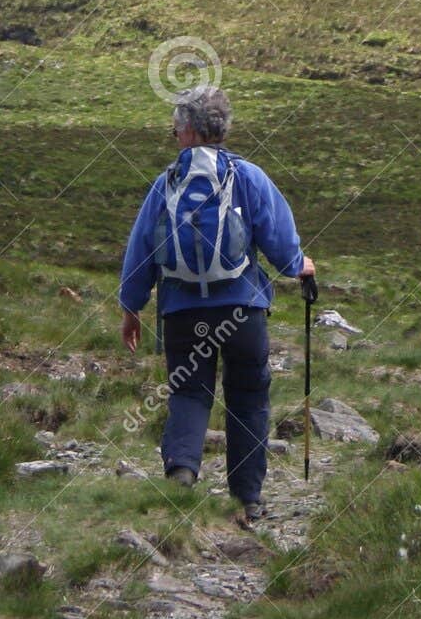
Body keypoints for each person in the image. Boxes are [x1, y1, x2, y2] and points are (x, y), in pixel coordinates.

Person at [119, 85, 313, 521]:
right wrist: (300, 266)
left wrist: (131, 309)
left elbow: (141, 252)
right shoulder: (248, 177)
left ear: (187, 132)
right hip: (242, 311)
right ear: (221, 128)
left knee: (188, 392)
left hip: (182, 313)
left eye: (175, 130)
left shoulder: (165, 184)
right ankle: (247, 499)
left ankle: (182, 476)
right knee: (247, 395)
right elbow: (281, 245)